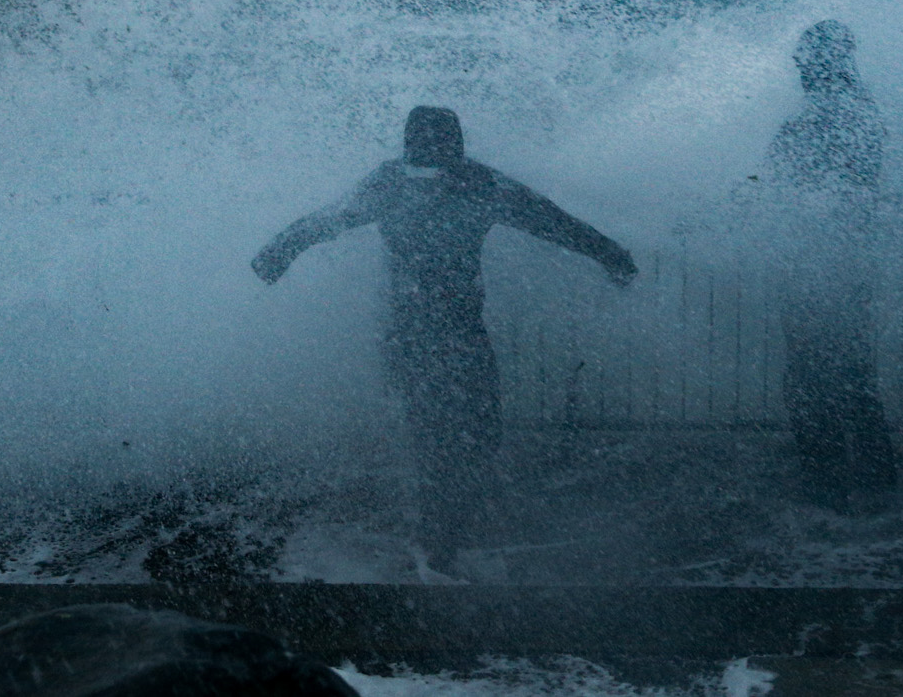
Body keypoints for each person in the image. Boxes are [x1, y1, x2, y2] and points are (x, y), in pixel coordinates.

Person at [252, 105, 637, 573]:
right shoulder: (420, 184)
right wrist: (279, 251)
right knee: (441, 432)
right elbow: (331, 218)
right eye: (424, 154)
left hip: (449, 327)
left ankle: (446, 525)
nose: (430, 169)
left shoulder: (466, 184)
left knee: (472, 430)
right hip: (418, 329)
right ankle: (440, 535)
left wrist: (609, 253)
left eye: (437, 154)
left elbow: (551, 221)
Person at [765, 20, 897, 503]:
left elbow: (788, 182)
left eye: (804, 56)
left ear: (822, 60)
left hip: (818, 265)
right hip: (844, 263)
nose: (797, 64)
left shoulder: (821, 117)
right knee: (849, 373)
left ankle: (827, 481)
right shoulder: (860, 111)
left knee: (811, 376)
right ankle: (872, 480)